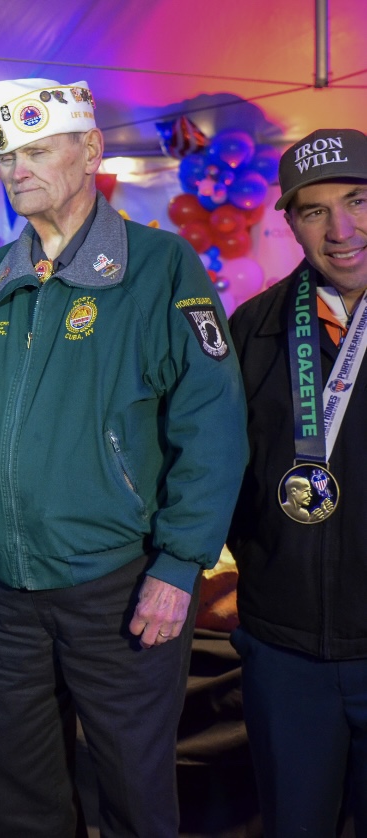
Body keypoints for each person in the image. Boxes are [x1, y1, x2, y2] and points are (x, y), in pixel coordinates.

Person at [0, 78, 247, 836]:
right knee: (20, 785)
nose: (15, 169)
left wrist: (177, 565)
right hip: (5, 590)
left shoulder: (159, 268)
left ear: (89, 148)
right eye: (6, 155)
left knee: (132, 785)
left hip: (119, 584)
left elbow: (213, 424)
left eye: (35, 150)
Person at [227, 128, 367, 836]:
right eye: (313, 211)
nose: (340, 229)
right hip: (284, 651)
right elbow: (218, 466)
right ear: (288, 221)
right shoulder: (251, 330)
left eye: (357, 199)